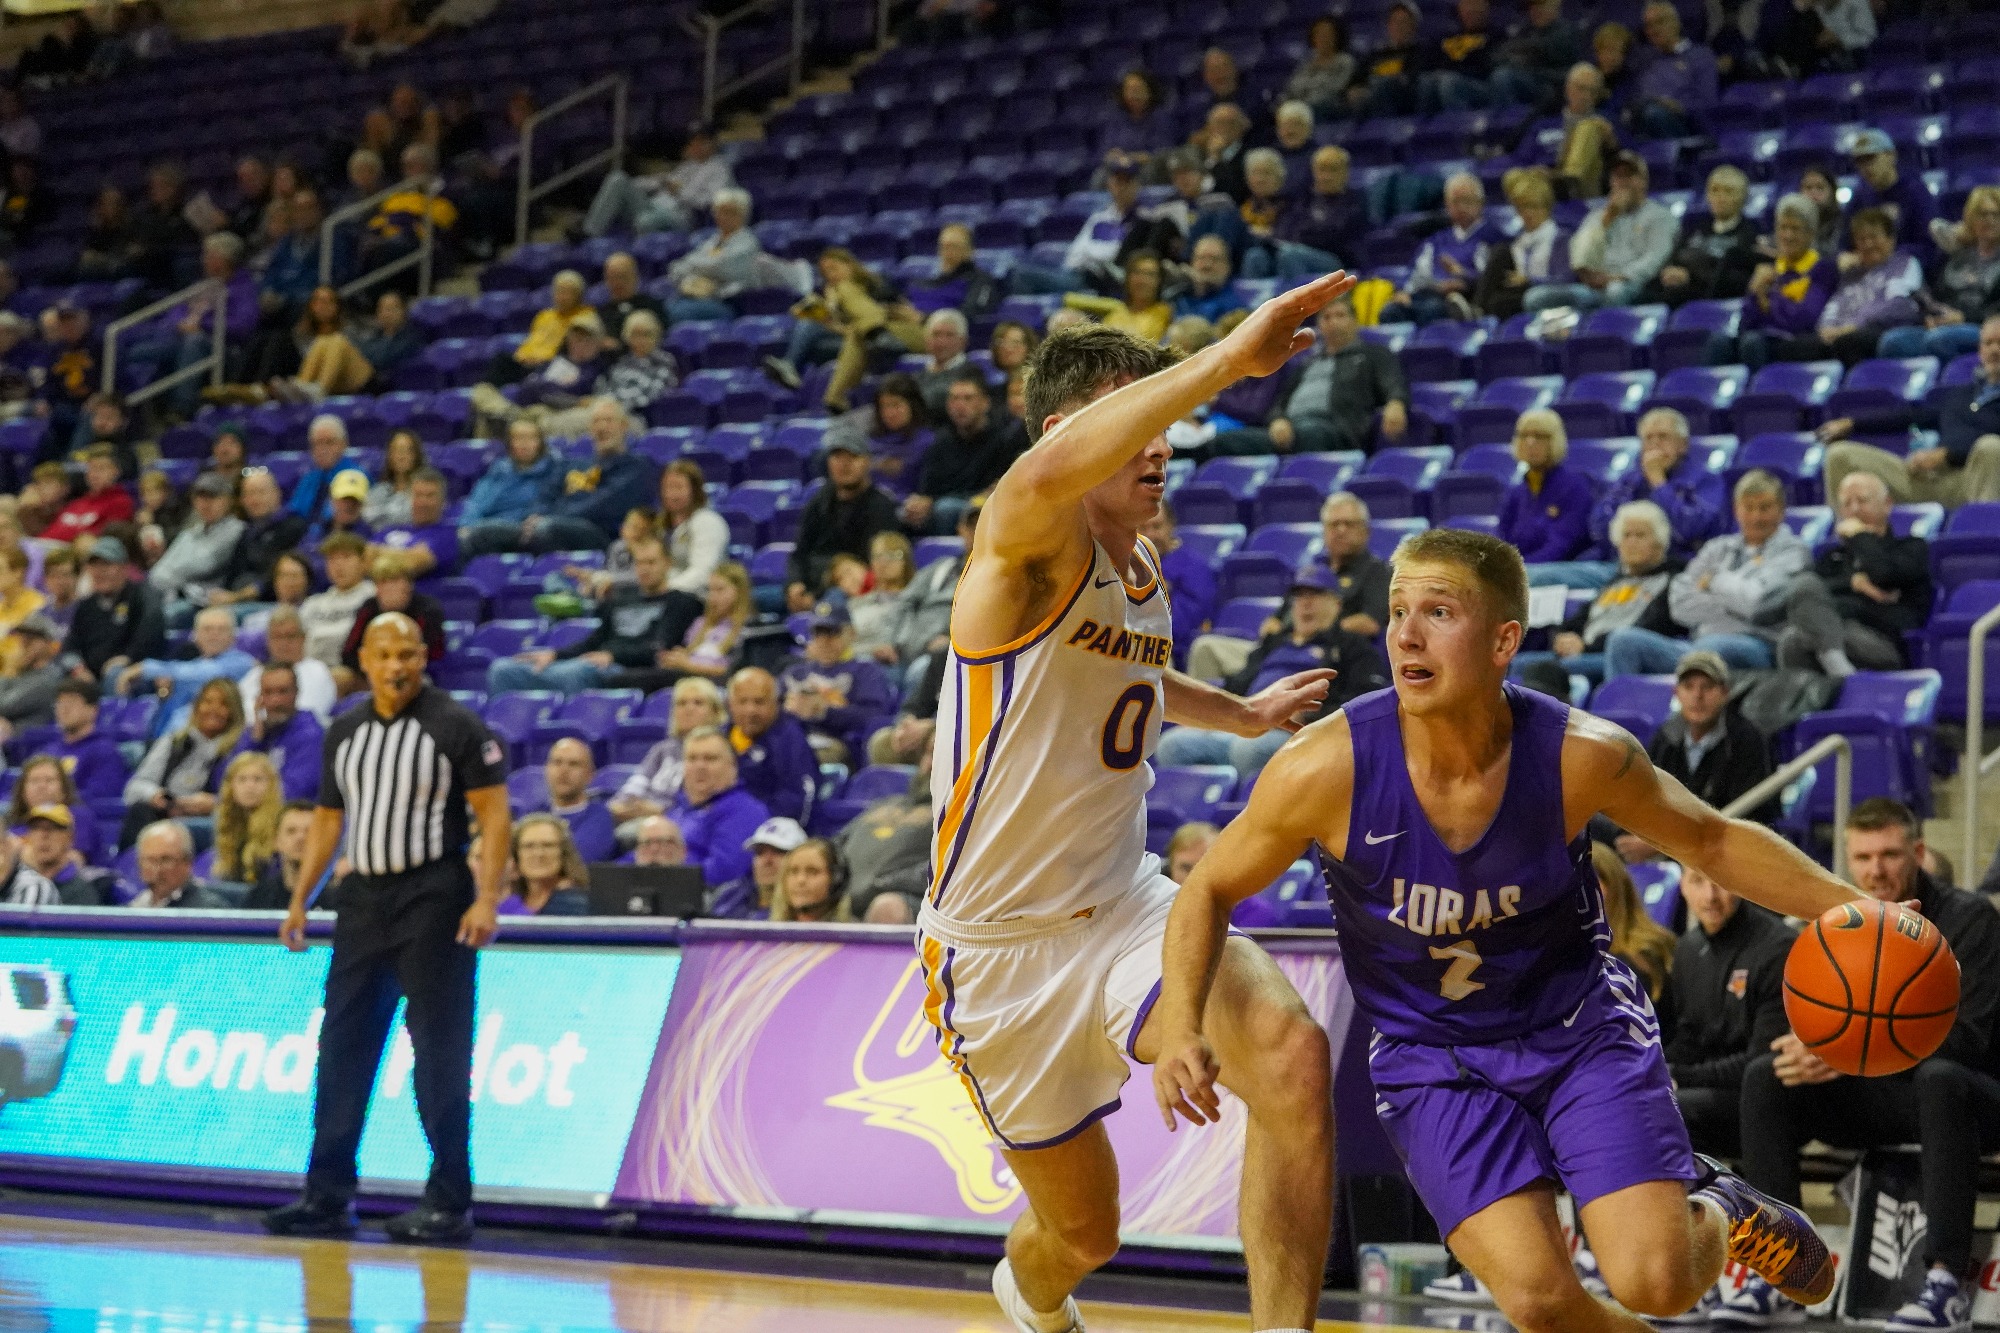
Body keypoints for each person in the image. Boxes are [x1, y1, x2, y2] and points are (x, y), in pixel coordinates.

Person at [1154, 524, 1870, 1333]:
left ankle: (1724, 1206)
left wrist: (1853, 904)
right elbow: (1207, 885)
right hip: (1433, 1055)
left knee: (1657, 1279)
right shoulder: (1327, 767)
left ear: (1503, 641)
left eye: (1438, 611)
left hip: (1577, 1028)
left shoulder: (1577, 753)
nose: (1407, 634)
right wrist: (1181, 1020)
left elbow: (1709, 837)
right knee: (1537, 1299)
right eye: (1396, 611)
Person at [926, 287, 1362, 1333]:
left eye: (1162, 427)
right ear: (1065, 435)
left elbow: (1129, 674)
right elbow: (1039, 477)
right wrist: (1222, 360)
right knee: (1085, 1238)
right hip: (996, 949)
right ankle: (1027, 1301)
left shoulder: (1141, 566)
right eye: (1135, 423)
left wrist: (1239, 713)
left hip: (1125, 903)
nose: (1156, 445)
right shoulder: (1023, 544)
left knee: (1294, 1058)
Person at [266, 614, 511, 1245]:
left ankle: (450, 1203)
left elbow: (495, 816)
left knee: (439, 1054)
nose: (397, 666)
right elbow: (326, 820)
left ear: (424, 657)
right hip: (363, 902)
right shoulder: (345, 729)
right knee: (342, 1047)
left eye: (408, 654)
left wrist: (486, 898)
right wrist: (301, 900)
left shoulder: (456, 725)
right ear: (366, 660)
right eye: (385, 655)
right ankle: (326, 1195)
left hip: (435, 895)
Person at [1730, 799, 2000, 1330]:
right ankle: (1781, 1270)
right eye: (1863, 857)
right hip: (1888, 1094)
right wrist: (1819, 1051)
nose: (1876, 870)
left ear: (1918, 852)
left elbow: (1969, 1040)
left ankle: (1946, 1285)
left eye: (1890, 854)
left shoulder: (1971, 921)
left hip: (1973, 1099)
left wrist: (1847, 1052)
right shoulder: (1841, 930)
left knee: (1941, 1078)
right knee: (1767, 1076)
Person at [1156, 565, 1390, 778]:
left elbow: (1364, 701)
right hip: (1246, 721)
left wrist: (1311, 716)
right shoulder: (1274, 642)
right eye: (1299, 596)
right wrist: (1207, 713)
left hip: (1295, 731)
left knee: (1247, 750)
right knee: (1172, 745)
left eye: (1316, 595)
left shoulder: (1351, 646)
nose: (1306, 603)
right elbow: (1238, 684)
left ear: (1337, 604)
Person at [1604, 471, 1810, 675]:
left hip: (1758, 645)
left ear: (1781, 511)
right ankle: (1621, 708)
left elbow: (1756, 603)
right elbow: (1679, 604)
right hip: (1697, 645)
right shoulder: (1717, 548)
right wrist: (1734, 604)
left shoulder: (1793, 552)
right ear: (1736, 511)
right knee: (1622, 641)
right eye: (1748, 508)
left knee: (1713, 646)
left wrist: (1713, 582)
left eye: (1764, 508)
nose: (1756, 517)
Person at [1662, 862, 1793, 1158]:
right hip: (1706, 1091)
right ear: (1682, 885)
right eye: (1698, 881)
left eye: (1720, 881)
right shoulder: (1686, 950)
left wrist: (1680, 1076)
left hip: (1765, 1101)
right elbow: (1689, 1038)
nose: (1710, 896)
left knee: (1666, 1109)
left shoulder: (1777, 947)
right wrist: (1656, 1069)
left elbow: (1761, 1060)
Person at [1533, 406, 1726, 590]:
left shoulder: (1705, 481)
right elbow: (1598, 528)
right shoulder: (1630, 480)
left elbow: (1686, 530)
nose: (1655, 444)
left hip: (1671, 571)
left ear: (1683, 445)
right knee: (1534, 576)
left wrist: (1658, 482)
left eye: (1663, 437)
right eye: (1649, 438)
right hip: (1617, 567)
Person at [1821, 313, 2000, 508]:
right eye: (1988, 343)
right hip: (1935, 479)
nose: (1994, 350)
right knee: (1839, 455)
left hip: (1976, 479)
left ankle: (1985, 530)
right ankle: (1853, 534)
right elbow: (1910, 416)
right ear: (1980, 350)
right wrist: (1852, 423)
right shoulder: (1961, 395)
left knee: (1990, 447)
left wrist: (1948, 455)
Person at [1203, 295, 1408, 457]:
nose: (1333, 322)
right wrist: (1278, 420)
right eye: (1326, 317)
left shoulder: (1373, 354)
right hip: (1288, 430)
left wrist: (1396, 403)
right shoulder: (1307, 362)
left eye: (1340, 315)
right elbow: (1279, 402)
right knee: (1223, 443)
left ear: (1355, 322)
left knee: (1310, 433)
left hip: (1336, 430)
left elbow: (1393, 383)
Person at [1778, 470, 1931, 676]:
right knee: (1792, 637)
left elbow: (1884, 573)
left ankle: (1840, 671)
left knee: (1811, 632)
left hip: (1883, 642)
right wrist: (1856, 585)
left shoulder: (1911, 548)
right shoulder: (1832, 557)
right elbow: (1814, 596)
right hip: (1833, 634)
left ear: (1887, 504)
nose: (1855, 510)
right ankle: (1820, 692)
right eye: (1847, 504)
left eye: (1862, 501)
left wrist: (1860, 536)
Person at [460, 399, 657, 556]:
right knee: (480, 534)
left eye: (608, 420)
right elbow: (545, 495)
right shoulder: (573, 465)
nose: (602, 427)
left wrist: (549, 517)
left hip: (600, 534)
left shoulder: (636, 466)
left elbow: (602, 505)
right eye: (596, 421)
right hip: (551, 526)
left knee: (546, 528)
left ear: (623, 426)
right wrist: (537, 515)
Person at [1513, 500, 1677, 686]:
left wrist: (1586, 647)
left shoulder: (1672, 580)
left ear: (1660, 542)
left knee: (1539, 670)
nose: (1631, 542)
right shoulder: (1616, 581)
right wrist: (1563, 637)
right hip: (1583, 651)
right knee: (1519, 664)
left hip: (1611, 655)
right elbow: (1581, 618)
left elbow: (1651, 627)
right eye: (1626, 535)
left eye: (1640, 536)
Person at [490, 536, 677, 697]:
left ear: (668, 563)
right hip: (595, 661)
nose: (644, 569)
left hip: (627, 668)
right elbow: (594, 640)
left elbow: (661, 647)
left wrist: (612, 655)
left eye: (651, 562)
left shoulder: (681, 601)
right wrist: (555, 654)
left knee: (576, 672)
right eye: (639, 563)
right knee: (503, 670)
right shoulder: (620, 598)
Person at [1767, 207, 1924, 367]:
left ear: (1891, 239)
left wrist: (1854, 327)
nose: (1868, 244)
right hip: (1843, 333)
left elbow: (1897, 305)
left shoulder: (1904, 264)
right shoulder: (1851, 273)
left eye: (1874, 237)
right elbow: (1835, 304)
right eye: (1861, 239)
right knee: (1791, 347)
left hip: (1884, 329)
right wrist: (1826, 329)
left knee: (1849, 342)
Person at [1525, 152, 1674, 312]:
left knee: (1615, 292)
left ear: (1643, 181)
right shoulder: (1598, 216)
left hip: (1636, 285)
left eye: (1628, 176)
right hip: (1595, 287)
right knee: (1535, 297)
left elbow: (1654, 259)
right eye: (1617, 176)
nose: (1622, 182)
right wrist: (1607, 218)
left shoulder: (1660, 216)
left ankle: (1604, 333)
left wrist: (1617, 277)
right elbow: (1579, 257)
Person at [1704, 192, 1838, 369]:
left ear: (1810, 233)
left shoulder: (1822, 269)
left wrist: (1767, 301)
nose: (1787, 236)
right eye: (1783, 228)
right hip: (1759, 339)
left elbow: (1805, 319)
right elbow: (1746, 322)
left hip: (1794, 344)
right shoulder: (1770, 268)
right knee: (1718, 342)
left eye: (1795, 229)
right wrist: (1755, 292)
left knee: (1752, 342)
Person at [120, 677, 243, 850]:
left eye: (223, 704)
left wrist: (214, 803)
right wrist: (155, 795)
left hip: (207, 820)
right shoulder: (174, 741)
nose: (213, 710)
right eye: (207, 702)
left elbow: (245, 798)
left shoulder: (240, 748)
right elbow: (134, 787)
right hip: (166, 812)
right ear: (197, 706)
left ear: (234, 711)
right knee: (140, 811)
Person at [902, 370, 1028, 536]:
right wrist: (920, 502)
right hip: (943, 504)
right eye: (954, 399)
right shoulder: (940, 441)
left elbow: (997, 488)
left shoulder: (1004, 438)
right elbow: (928, 489)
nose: (960, 405)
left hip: (984, 506)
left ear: (985, 403)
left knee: (947, 509)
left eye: (968, 398)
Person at [785, 439, 901, 612]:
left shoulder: (881, 507)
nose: (844, 464)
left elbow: (867, 567)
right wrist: (794, 585)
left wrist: (815, 598)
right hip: (810, 585)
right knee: (757, 596)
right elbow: (799, 553)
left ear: (867, 461)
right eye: (837, 457)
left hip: (849, 591)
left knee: (834, 600)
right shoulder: (818, 502)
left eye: (853, 457)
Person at [778, 603, 897, 765]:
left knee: (806, 757)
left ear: (852, 633)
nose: (824, 640)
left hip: (835, 742)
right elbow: (772, 705)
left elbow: (874, 717)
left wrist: (824, 712)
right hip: (790, 737)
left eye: (833, 632)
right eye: (818, 633)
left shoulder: (866, 671)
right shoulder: (795, 672)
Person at [609, 676, 725, 832]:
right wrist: (621, 804)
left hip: (678, 821)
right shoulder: (662, 749)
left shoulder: (719, 751)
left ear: (715, 712)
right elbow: (637, 783)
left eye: (698, 703)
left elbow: (703, 800)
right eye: (681, 703)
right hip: (640, 814)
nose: (688, 709)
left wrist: (661, 811)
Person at [1380, 174, 1496, 326]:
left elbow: (1491, 278)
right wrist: (1403, 292)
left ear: (1480, 202)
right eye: (1455, 202)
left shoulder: (1492, 237)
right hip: (1427, 293)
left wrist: (1464, 276)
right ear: (1447, 205)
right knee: (1391, 311)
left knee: (1432, 309)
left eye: (1467, 201)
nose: (1461, 207)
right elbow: (1416, 273)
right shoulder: (1436, 241)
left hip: (1463, 297)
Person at [579, 123, 733, 238]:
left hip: (682, 216)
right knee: (617, 178)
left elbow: (707, 203)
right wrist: (633, 185)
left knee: (644, 221)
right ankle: (589, 233)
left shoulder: (720, 170)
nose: (695, 145)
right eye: (694, 140)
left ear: (712, 142)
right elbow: (660, 182)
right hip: (654, 205)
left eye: (701, 140)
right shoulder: (688, 166)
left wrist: (679, 192)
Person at [666, 725, 769, 888]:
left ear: (732, 766)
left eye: (710, 759)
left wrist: (663, 874)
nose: (700, 766)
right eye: (692, 759)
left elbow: (725, 871)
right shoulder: (676, 811)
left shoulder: (744, 811)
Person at [119, 608, 257, 727]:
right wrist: (164, 692)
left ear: (233, 637)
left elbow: (206, 673)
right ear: (195, 636)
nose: (214, 635)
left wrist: (145, 668)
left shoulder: (242, 662)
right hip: (170, 735)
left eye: (221, 629)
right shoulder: (192, 665)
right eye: (207, 629)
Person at [1645, 166, 1760, 306]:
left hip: (1713, 298)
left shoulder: (1750, 232)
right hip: (1675, 291)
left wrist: (1690, 277)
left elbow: (1735, 277)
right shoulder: (1693, 227)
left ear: (1742, 197)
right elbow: (1674, 259)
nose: (1720, 197)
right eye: (1714, 190)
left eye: (1728, 191)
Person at [1499, 409, 1595, 566]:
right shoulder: (1515, 493)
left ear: (1555, 441)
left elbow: (1561, 545)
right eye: (1524, 435)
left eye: (1539, 436)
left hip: (1562, 571)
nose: (1530, 442)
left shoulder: (1575, 487)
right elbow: (1503, 542)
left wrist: (1520, 570)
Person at [225, 661, 326, 803]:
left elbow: (293, 792)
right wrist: (254, 740)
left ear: (296, 693)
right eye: (268, 692)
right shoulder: (259, 731)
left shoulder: (311, 735)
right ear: (259, 698)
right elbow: (227, 780)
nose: (276, 701)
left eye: (283, 691)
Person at [724, 667, 816, 823]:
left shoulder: (789, 738)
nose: (750, 710)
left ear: (775, 703)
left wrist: (749, 819)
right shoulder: (720, 737)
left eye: (759, 702)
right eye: (742, 701)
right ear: (730, 705)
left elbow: (796, 800)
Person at [148, 473, 246, 616]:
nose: (205, 504)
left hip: (206, 601)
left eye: (213, 497)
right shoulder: (189, 534)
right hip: (174, 594)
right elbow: (157, 573)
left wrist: (170, 578)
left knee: (163, 616)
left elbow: (202, 563)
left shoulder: (236, 530)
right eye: (200, 498)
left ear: (228, 500)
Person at [1627, 1, 1715, 139]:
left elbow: (1708, 104)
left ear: (1676, 23)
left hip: (1684, 125)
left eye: (1659, 22)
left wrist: (1677, 106)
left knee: (1653, 114)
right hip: (1641, 119)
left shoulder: (1700, 56)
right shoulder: (1644, 59)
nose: (1653, 30)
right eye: (1648, 26)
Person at [459, 419, 560, 535]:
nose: (524, 444)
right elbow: (477, 503)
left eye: (531, 438)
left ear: (541, 443)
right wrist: (466, 525)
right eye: (518, 438)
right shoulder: (498, 471)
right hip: (489, 529)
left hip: (527, 531)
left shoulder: (554, 471)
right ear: (509, 443)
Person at [1846, 127, 1935, 253]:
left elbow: (1929, 246)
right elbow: (1845, 243)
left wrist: (1890, 254)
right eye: (1860, 162)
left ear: (1891, 156)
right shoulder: (1860, 197)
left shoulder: (1914, 192)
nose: (1865, 167)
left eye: (1871, 158)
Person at [244, 606, 337, 724]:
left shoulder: (317, 671)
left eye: (290, 636)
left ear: (303, 638)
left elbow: (310, 713)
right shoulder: (254, 674)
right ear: (268, 641)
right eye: (277, 637)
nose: (283, 643)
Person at [707, 815, 806, 920]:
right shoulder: (731, 895)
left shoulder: (804, 910)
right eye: (759, 852)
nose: (767, 861)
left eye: (779, 851)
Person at [300, 535, 376, 668]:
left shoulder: (373, 597)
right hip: (312, 669)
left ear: (363, 562)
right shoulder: (312, 604)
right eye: (332, 559)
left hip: (353, 670)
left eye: (346, 557)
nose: (339, 565)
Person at [537, 738, 615, 863]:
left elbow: (581, 860)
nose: (563, 771)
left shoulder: (600, 817)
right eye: (557, 762)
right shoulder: (533, 814)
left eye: (573, 764)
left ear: (589, 775)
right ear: (547, 769)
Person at [211, 750, 284, 885]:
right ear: (230, 786)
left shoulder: (281, 824)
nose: (250, 786)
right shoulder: (225, 822)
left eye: (258, 779)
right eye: (242, 779)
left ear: (271, 785)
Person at [48, 679, 127, 799]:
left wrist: (56, 799)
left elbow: (102, 795)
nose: (64, 709)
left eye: (72, 702)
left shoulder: (103, 751)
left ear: (93, 710)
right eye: (60, 703)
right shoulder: (49, 751)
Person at [42, 445, 132, 545]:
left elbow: (104, 540)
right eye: (91, 468)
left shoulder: (120, 503)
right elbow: (49, 533)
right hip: (50, 550)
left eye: (101, 469)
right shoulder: (76, 504)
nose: (94, 474)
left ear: (115, 472)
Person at [20, 805, 109, 906]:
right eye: (36, 828)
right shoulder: (16, 883)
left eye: (52, 828)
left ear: (69, 838)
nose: (43, 835)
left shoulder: (81, 890)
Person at [130, 821, 231, 909]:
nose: (157, 870)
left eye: (166, 860)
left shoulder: (210, 911)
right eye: (150, 860)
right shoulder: (133, 907)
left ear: (187, 863)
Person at [0, 616, 67, 738]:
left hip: (31, 745)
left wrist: (11, 670)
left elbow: (5, 706)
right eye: (21, 640)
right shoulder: (18, 674)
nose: (23, 646)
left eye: (29, 640)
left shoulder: (50, 678)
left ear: (48, 644)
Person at [768, 839, 853, 923]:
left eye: (813, 871)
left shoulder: (854, 934)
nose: (800, 880)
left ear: (836, 879)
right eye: (793, 871)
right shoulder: (767, 933)